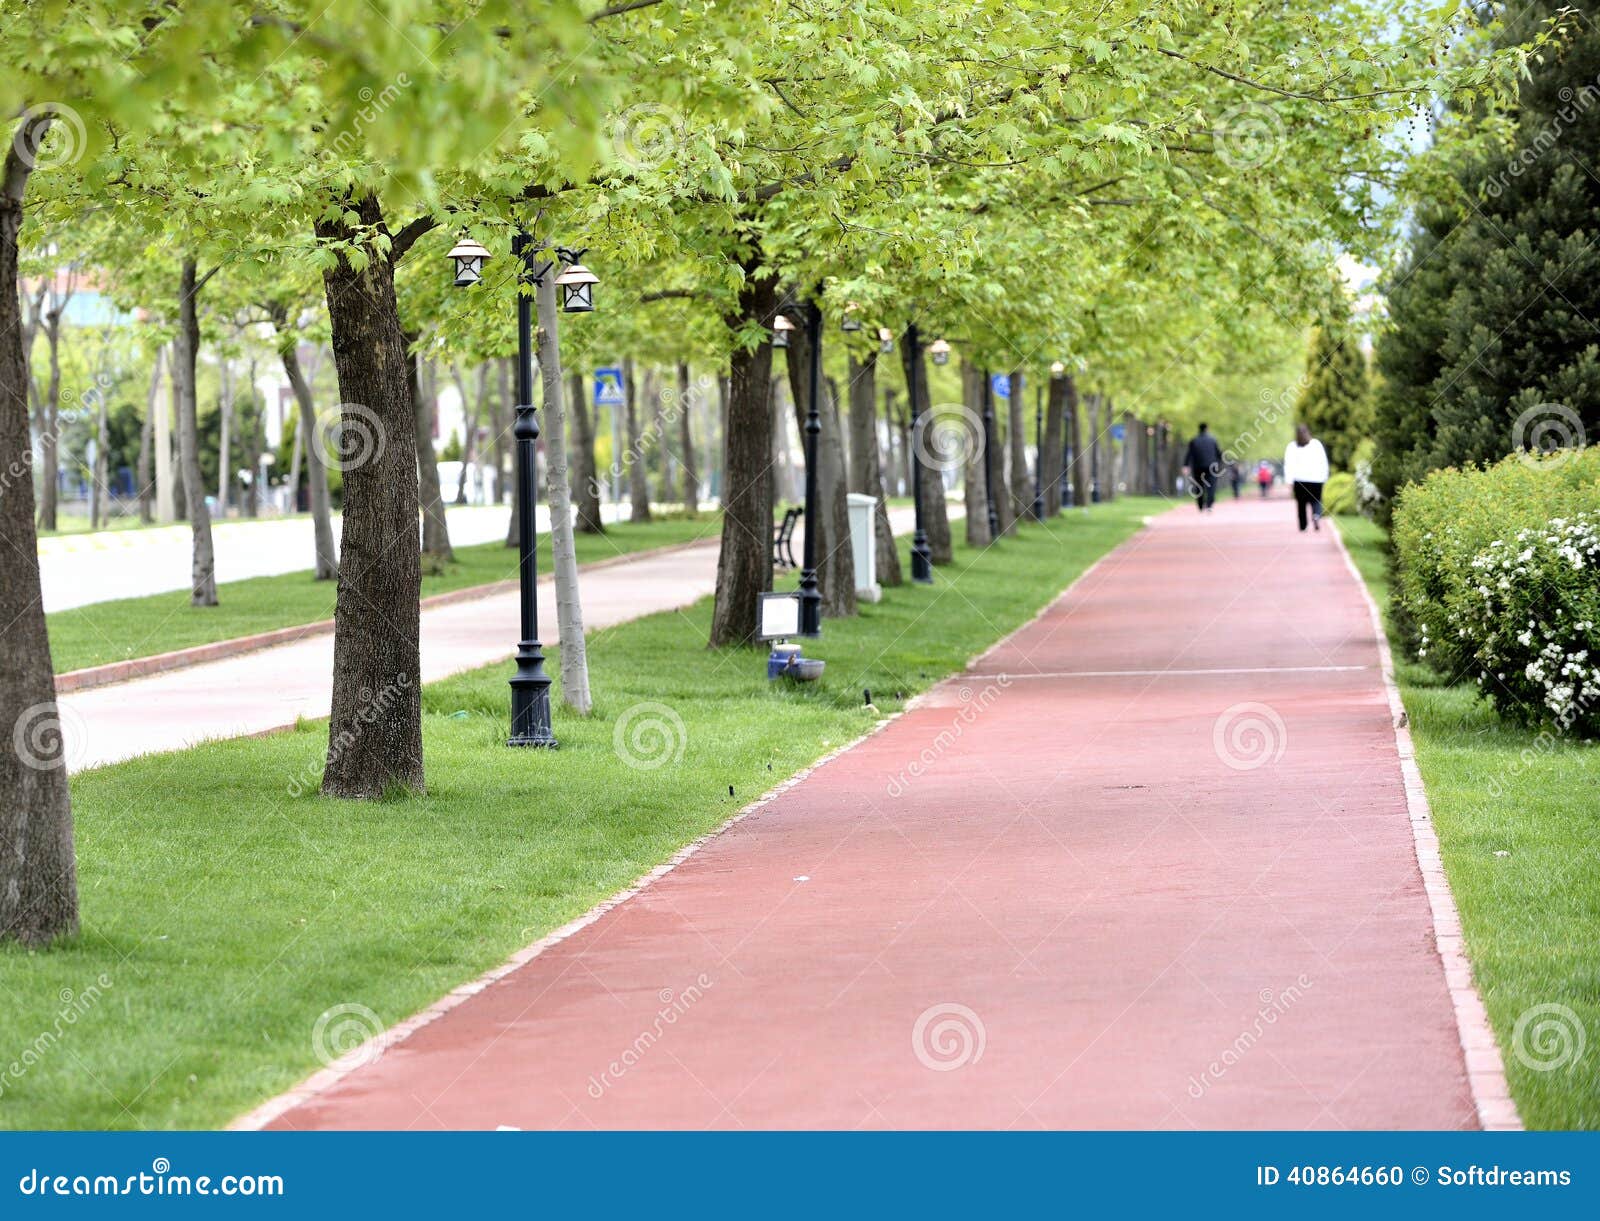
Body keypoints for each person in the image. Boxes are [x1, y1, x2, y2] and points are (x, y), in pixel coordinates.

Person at [1283, 423, 1329, 532]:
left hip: (1300, 480)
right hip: (1316, 479)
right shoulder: (1316, 444)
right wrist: (1325, 476)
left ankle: (1303, 526)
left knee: (1301, 504)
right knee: (1316, 500)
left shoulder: (1292, 446)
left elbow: (1288, 464)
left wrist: (1288, 481)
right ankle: (1316, 515)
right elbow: (1323, 461)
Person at [1183, 422, 1223, 513]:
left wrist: (1185, 465)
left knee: (1198, 486)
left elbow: (1189, 454)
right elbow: (1218, 453)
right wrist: (1221, 462)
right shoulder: (1213, 440)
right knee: (1211, 486)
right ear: (1207, 429)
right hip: (1212, 467)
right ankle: (1209, 505)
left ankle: (1200, 505)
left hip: (1198, 467)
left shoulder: (1194, 440)